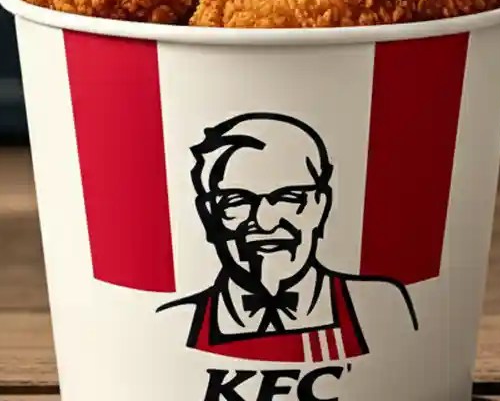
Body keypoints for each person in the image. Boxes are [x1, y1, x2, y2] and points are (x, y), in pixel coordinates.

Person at [158, 113, 418, 363]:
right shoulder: (175, 322)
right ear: (208, 215)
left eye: (289, 197)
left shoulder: (375, 306)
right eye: (237, 201)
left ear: (321, 206)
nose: (266, 222)